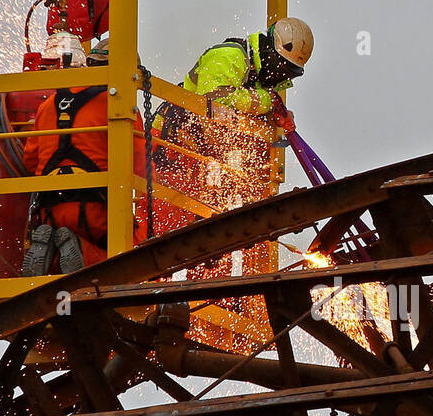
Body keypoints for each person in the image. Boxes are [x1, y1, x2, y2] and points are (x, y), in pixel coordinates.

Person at [151, 17, 314, 236]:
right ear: (270, 53)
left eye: (290, 73)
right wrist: (267, 102)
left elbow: (240, 109)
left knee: (215, 232)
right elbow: (215, 100)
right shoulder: (230, 55)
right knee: (165, 229)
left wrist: (273, 116)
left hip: (202, 156)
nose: (281, 77)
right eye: (282, 68)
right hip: (169, 144)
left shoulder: (258, 78)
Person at [22, 36, 148, 274]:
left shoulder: (48, 104)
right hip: (95, 210)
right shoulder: (120, 106)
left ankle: (52, 255)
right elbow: (139, 164)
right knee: (131, 251)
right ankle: (77, 246)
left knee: (63, 253)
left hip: (48, 210)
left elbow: (30, 160)